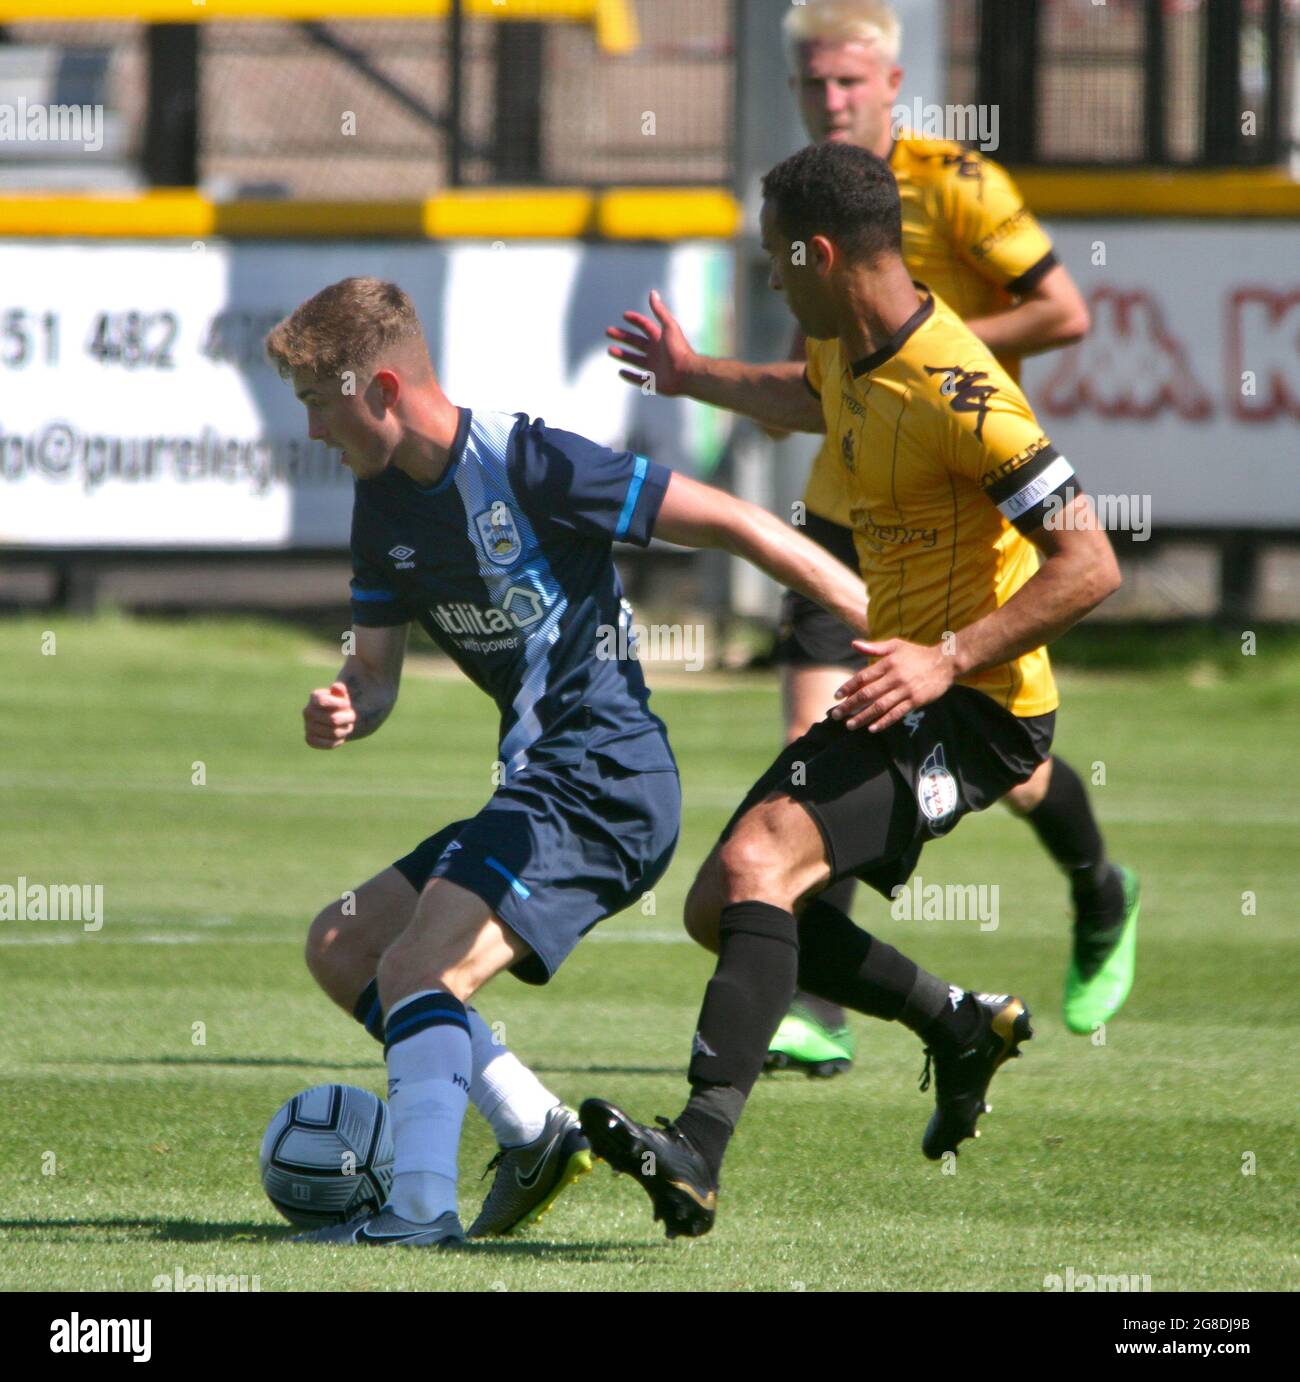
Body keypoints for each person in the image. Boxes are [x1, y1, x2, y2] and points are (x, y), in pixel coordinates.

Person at [579, 142, 1122, 1238]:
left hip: (974, 709)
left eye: (778, 261)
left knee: (753, 866)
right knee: (719, 906)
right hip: (905, 687)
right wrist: (695, 377)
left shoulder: (964, 391)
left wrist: (950, 654)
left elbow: (1091, 562)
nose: (770, 281)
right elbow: (804, 394)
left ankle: (697, 1148)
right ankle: (956, 1022)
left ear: (820, 253)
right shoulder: (850, 346)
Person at [263, 275, 869, 1247]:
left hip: (602, 777)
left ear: (380, 388)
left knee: (421, 966)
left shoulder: (530, 460)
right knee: (344, 947)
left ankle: (418, 1211)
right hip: (543, 782)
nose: (313, 432)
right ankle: (533, 1128)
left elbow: (740, 522)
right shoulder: (382, 508)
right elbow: (373, 673)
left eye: (315, 406)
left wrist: (881, 625)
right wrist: (348, 702)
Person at [745, 0, 1133, 1073]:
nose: (831, 100)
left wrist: (927, 358)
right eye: (813, 85)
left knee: (1004, 765)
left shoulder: (958, 185)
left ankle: (1099, 882)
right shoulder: (805, 206)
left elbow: (1062, 313)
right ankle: (817, 1006)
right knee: (815, 752)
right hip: (841, 514)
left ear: (890, 80)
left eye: (848, 82)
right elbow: (812, 375)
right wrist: (699, 378)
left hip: (952, 516)